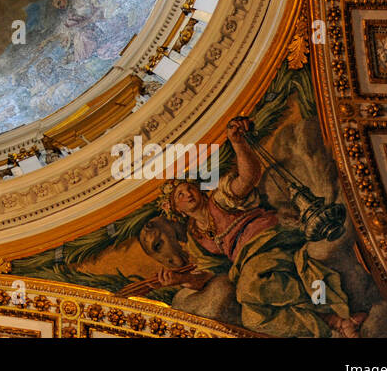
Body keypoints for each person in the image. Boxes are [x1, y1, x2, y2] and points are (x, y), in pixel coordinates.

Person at [153, 117, 364, 336]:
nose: (188, 194)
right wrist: (182, 279)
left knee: (250, 287)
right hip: (247, 265)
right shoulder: (196, 236)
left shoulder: (220, 199)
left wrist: (238, 144)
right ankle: (333, 324)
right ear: (176, 209)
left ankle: (329, 309)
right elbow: (209, 275)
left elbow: (248, 177)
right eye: (180, 194)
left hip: (269, 240)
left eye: (189, 188)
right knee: (254, 319)